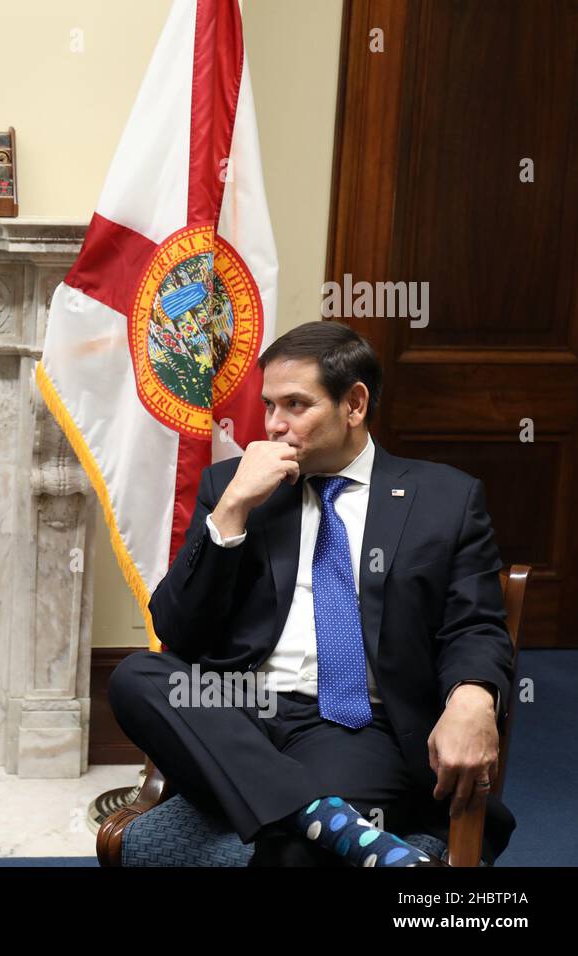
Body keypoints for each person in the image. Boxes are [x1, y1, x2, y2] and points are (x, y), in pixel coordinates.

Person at [109, 321, 515, 866]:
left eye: (296, 405)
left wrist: (473, 696)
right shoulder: (234, 485)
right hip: (236, 711)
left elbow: (474, 623)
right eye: (269, 406)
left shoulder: (444, 498)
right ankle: (333, 822)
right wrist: (232, 512)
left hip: (351, 726)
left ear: (354, 404)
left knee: (295, 855)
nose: (274, 426)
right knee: (136, 676)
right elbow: (178, 631)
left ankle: (303, 816)